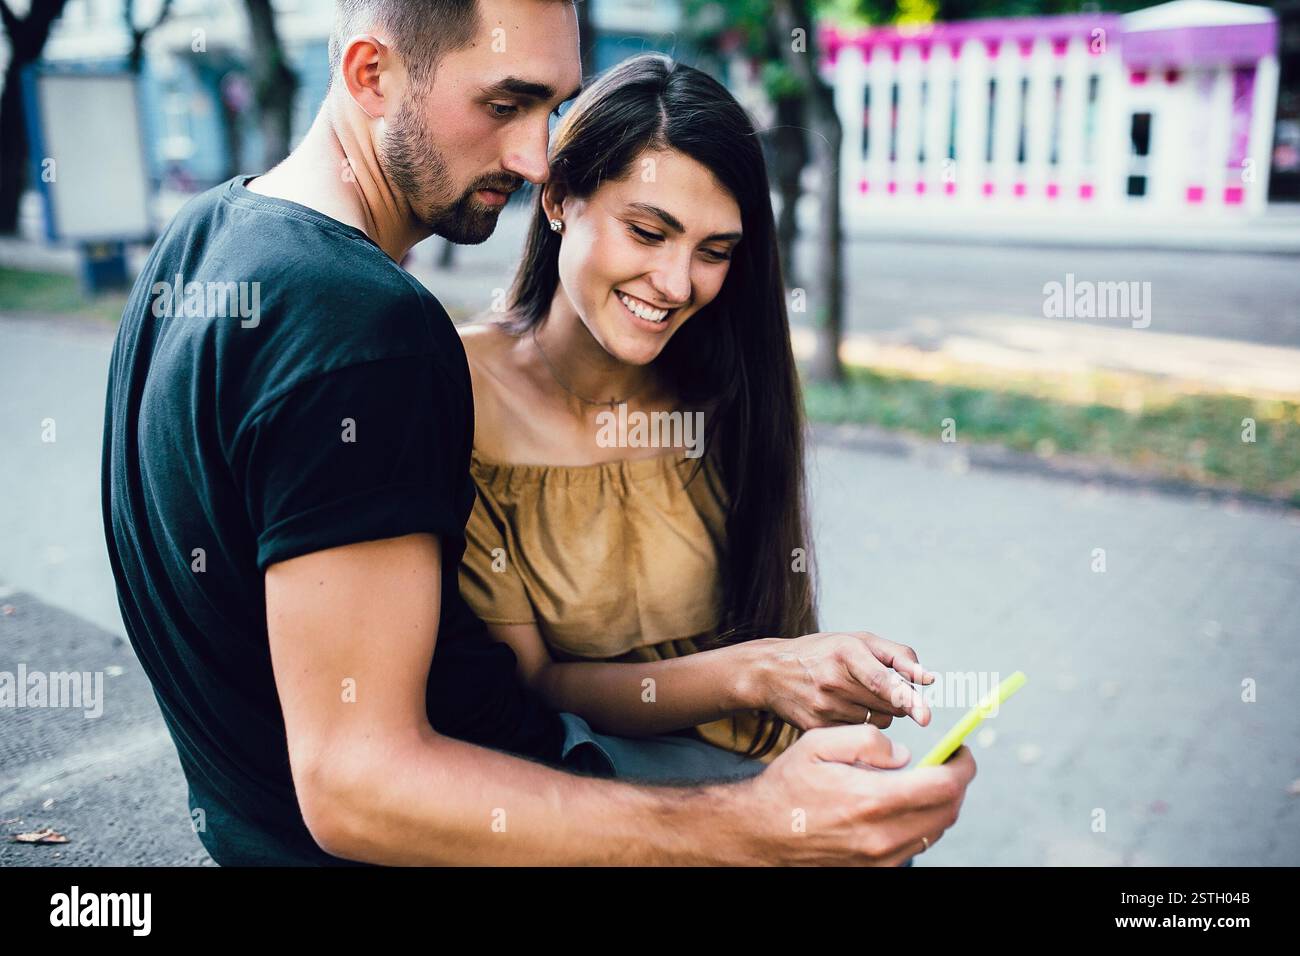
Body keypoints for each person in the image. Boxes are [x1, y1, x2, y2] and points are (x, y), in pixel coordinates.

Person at [101, 0, 975, 866]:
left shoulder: (203, 237)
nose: (532, 158)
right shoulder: (365, 330)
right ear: (370, 74)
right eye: (503, 104)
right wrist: (755, 826)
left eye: (550, 109)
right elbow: (355, 783)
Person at [457, 53, 936, 784]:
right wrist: (756, 674)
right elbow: (533, 686)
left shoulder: (724, 385)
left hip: (768, 769)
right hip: (600, 799)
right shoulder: (459, 389)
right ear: (557, 198)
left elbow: (763, 635)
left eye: (713, 252)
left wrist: (819, 673)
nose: (677, 284)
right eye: (648, 232)